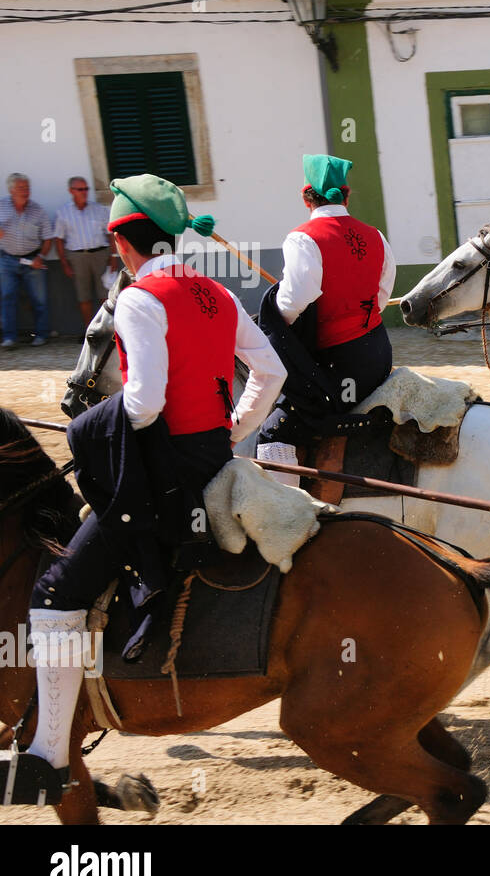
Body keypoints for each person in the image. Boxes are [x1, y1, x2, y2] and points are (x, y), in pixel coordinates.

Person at [4, 174, 286, 797]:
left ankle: (49, 755)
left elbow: (143, 404)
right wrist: (233, 429)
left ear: (124, 241)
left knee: (53, 593)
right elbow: (271, 369)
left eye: (115, 242)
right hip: (216, 460)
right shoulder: (215, 291)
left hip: (164, 476)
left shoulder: (137, 298)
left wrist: (90, 426)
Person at [256, 154, 396, 485]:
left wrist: (278, 319)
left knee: (273, 433)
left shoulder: (302, 238)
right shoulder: (376, 236)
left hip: (338, 368)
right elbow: (382, 296)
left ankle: (288, 519)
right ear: (346, 195)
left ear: (306, 197)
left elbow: (297, 297)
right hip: (378, 355)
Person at [53, 176, 118, 329]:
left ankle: (109, 330)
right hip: (77, 257)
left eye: (86, 189)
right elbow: (59, 239)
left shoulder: (99, 209)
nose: (84, 192)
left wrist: (114, 257)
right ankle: (90, 331)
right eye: (80, 189)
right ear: (71, 191)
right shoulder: (63, 213)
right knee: (84, 296)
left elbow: (110, 234)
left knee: (105, 294)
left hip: (101, 255)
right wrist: (64, 263)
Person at [0, 172, 54, 347]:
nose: (26, 191)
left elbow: (48, 237)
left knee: (39, 300)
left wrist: (41, 257)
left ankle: (41, 335)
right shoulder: (1, 207)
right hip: (7, 259)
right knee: (8, 298)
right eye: (21, 188)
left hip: (33, 260)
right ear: (11, 190)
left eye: (27, 188)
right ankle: (9, 338)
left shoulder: (37, 210)